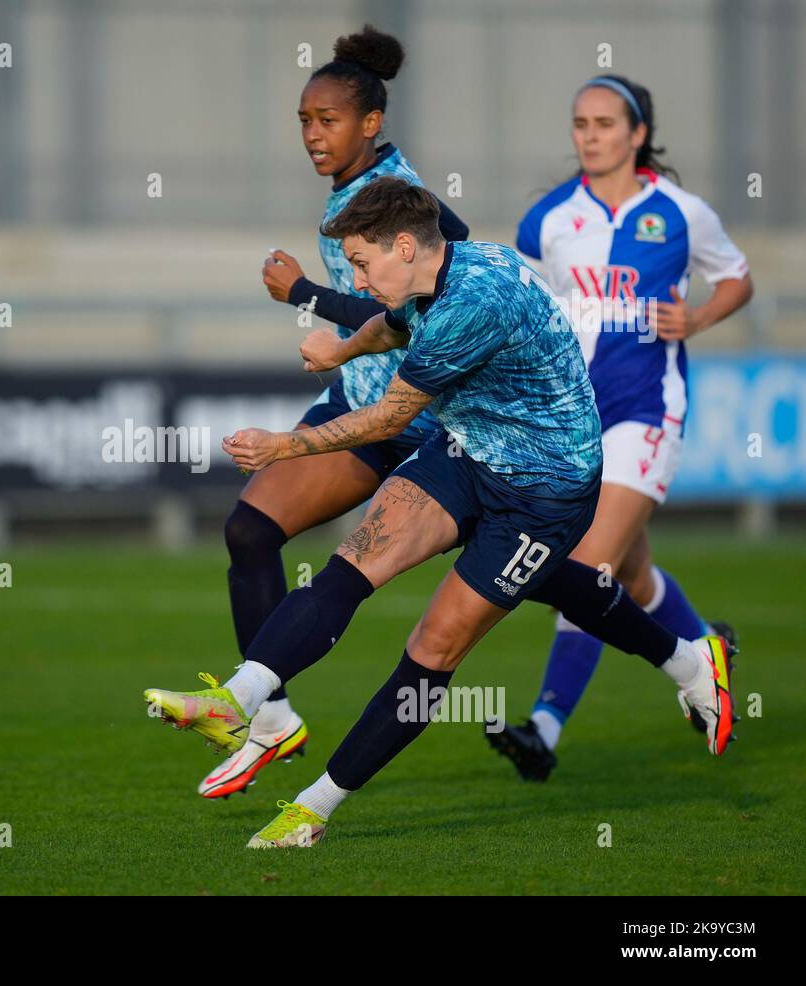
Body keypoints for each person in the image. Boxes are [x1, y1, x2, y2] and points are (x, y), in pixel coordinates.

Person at [144, 177, 734, 849]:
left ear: (404, 246)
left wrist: (284, 445)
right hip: (469, 450)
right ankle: (240, 697)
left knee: (435, 643)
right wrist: (340, 348)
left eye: (363, 263)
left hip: (545, 492)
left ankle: (314, 807)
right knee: (353, 565)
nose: (359, 279)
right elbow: (387, 326)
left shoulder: (470, 305)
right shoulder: (427, 277)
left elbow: (390, 417)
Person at [208, 23, 469, 799]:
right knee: (250, 531)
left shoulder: (397, 196)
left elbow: (437, 290)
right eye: (304, 121)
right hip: (360, 407)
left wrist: (305, 295)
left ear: (371, 124)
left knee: (548, 582)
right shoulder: (364, 188)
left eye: (327, 121)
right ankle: (271, 718)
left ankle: (683, 654)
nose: (313, 136)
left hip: (423, 425)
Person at [488, 75, 753, 780]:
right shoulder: (545, 220)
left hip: (647, 411)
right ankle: (705, 647)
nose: (591, 134)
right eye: (581, 123)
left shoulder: (680, 213)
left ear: (637, 134)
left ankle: (544, 729)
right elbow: (527, 310)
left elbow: (737, 277)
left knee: (584, 569)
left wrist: (696, 317)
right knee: (629, 571)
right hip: (574, 421)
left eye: (606, 123)